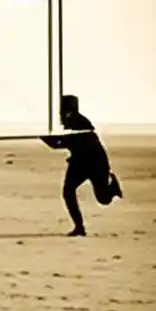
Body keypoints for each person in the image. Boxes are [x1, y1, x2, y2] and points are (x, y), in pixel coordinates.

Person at [40, 94, 123, 236]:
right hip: (80, 163)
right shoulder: (73, 122)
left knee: (103, 199)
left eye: (62, 113)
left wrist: (42, 136)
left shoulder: (78, 123)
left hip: (95, 162)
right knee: (68, 192)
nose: (61, 118)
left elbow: (59, 143)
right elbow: (59, 142)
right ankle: (79, 227)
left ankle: (113, 188)